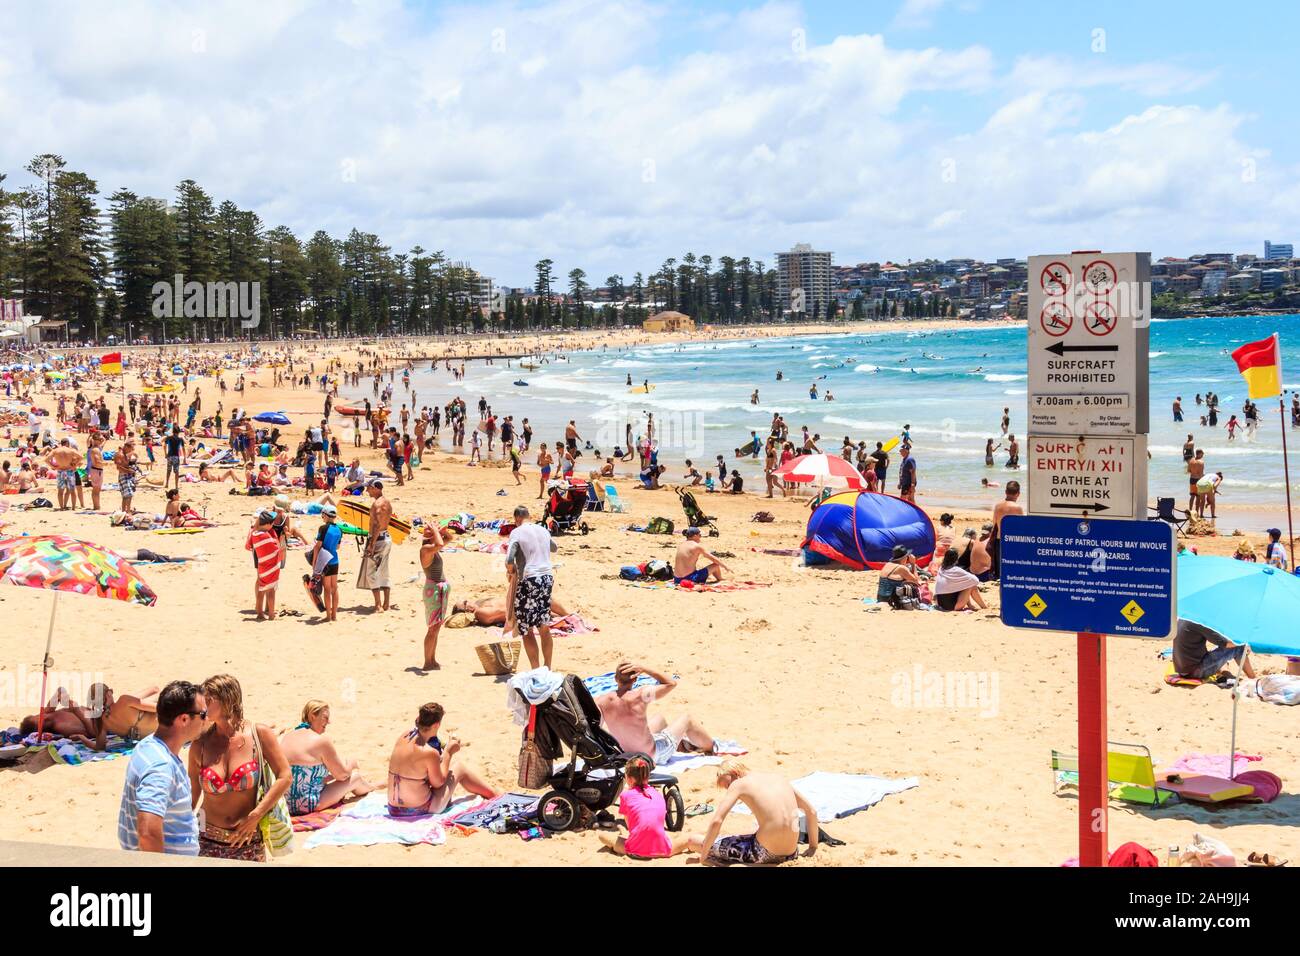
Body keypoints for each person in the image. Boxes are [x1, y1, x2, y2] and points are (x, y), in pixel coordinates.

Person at [188, 674, 291, 861]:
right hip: (206, 838)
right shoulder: (200, 744)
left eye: (209, 700)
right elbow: (192, 796)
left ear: (228, 700)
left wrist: (257, 815)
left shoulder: (259, 734)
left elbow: (285, 776)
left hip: (248, 838)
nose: (203, 707)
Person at [118, 680, 207, 855]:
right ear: (183, 719)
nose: (206, 720)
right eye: (203, 715)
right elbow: (148, 833)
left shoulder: (147, 745)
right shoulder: (161, 767)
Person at [687, 760, 816, 866]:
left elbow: (717, 821)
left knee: (693, 840)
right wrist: (812, 847)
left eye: (727, 785)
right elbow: (811, 811)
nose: (729, 789)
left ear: (735, 773)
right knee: (752, 829)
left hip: (763, 852)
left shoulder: (738, 784)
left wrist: (704, 858)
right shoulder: (779, 778)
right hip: (791, 852)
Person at [594, 662, 718, 766]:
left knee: (659, 719)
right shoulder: (641, 695)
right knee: (687, 718)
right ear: (636, 679)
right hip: (650, 756)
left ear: (615, 679)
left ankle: (681, 743)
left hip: (624, 754)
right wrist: (644, 669)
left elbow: (596, 728)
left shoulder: (601, 700)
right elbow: (671, 683)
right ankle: (710, 748)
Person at [386, 702, 497, 817]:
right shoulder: (429, 752)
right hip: (419, 809)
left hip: (394, 809)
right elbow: (438, 783)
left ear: (418, 719)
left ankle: (492, 794)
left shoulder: (405, 736)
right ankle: (494, 795)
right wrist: (448, 752)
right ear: (436, 725)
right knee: (459, 767)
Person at [278, 700, 376, 816]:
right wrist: (351, 764)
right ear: (312, 716)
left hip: (285, 804)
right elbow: (342, 775)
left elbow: (301, 776)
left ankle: (370, 785)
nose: (328, 722)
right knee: (355, 777)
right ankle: (373, 787)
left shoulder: (286, 737)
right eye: (325, 717)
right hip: (308, 804)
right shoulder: (321, 741)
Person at [597, 754, 691, 858]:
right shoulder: (657, 794)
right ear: (647, 777)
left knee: (603, 836)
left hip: (636, 850)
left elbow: (630, 826)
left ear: (630, 779)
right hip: (662, 849)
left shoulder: (626, 795)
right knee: (688, 839)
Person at [506, 505, 557, 669]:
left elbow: (509, 558)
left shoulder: (516, 532)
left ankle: (535, 669)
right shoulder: (542, 529)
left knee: (526, 628)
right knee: (544, 625)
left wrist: (511, 570)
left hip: (529, 579)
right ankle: (547, 667)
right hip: (547, 578)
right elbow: (554, 547)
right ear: (529, 515)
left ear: (516, 519)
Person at [1172, 619, 1257, 681]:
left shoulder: (1186, 617)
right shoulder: (1200, 621)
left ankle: (1225, 673)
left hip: (1181, 669)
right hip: (1194, 671)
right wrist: (1245, 643)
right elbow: (1225, 643)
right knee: (1239, 647)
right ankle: (1253, 678)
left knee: (1221, 650)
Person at [358, 478, 393, 612]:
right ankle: (386, 604)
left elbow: (377, 524)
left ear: (376, 488)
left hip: (378, 540)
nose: (367, 490)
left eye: (369, 488)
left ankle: (378, 605)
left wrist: (371, 544)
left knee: (371, 573)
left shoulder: (377, 505)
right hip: (386, 538)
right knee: (384, 571)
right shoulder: (387, 503)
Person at [419, 521, 450, 670]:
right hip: (434, 591)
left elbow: (449, 538)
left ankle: (432, 660)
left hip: (439, 591)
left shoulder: (433, 549)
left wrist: (442, 529)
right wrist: (435, 532)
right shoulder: (426, 549)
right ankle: (427, 662)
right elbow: (440, 544)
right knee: (432, 628)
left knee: (436, 628)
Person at [309, 503, 342, 622]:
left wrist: (314, 563)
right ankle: (334, 616)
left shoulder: (323, 528)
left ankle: (328, 616)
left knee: (327, 589)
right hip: (335, 560)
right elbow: (338, 546)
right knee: (335, 588)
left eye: (322, 515)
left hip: (324, 561)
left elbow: (318, 547)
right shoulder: (339, 529)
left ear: (325, 515)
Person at [990, 480, 1022, 580]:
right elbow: (1021, 527)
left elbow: (994, 523)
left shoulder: (998, 506)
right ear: (1018, 494)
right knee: (1013, 566)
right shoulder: (1018, 508)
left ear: (1005, 492)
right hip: (1013, 540)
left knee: (1001, 570)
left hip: (1000, 540)